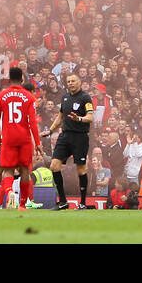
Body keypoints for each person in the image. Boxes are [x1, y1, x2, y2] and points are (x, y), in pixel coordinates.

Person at [0, 66, 41, 211]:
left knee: (7, 170)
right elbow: (33, 122)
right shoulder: (29, 97)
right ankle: (22, 204)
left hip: (9, 138)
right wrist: (37, 143)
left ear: (8, 79)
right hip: (24, 138)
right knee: (25, 170)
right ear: (22, 79)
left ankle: (10, 192)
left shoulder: (1, 95)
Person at [44, 73, 94, 209]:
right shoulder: (65, 97)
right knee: (54, 166)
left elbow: (90, 117)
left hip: (80, 136)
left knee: (81, 169)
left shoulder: (85, 97)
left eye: (73, 81)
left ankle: (83, 203)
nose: (70, 83)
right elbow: (60, 117)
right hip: (65, 136)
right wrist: (50, 130)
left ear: (79, 82)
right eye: (68, 81)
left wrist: (79, 119)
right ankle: (63, 202)